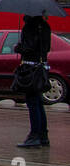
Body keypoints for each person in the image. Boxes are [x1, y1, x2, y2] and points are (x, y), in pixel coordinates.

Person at [15, 12, 52, 148]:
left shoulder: (30, 27)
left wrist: (18, 48)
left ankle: (34, 135)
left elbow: (28, 48)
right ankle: (43, 135)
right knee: (38, 102)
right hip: (41, 68)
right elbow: (46, 48)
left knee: (32, 102)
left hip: (30, 69)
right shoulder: (45, 26)